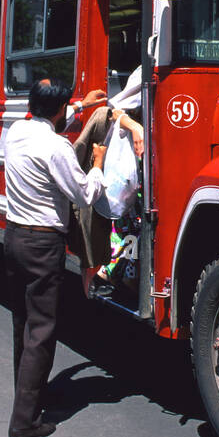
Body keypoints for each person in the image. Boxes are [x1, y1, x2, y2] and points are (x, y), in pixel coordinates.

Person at [2, 81, 109, 437]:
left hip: (14, 237)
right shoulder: (58, 147)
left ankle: (27, 396)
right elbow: (85, 193)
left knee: (23, 324)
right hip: (42, 243)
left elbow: (53, 119)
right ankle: (24, 422)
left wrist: (79, 106)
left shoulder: (16, 131)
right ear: (58, 110)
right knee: (42, 330)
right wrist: (97, 163)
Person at [71, 67, 145, 298]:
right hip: (123, 192)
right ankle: (112, 272)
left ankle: (114, 271)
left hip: (131, 192)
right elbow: (111, 112)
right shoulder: (120, 114)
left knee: (131, 233)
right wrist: (134, 127)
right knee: (129, 231)